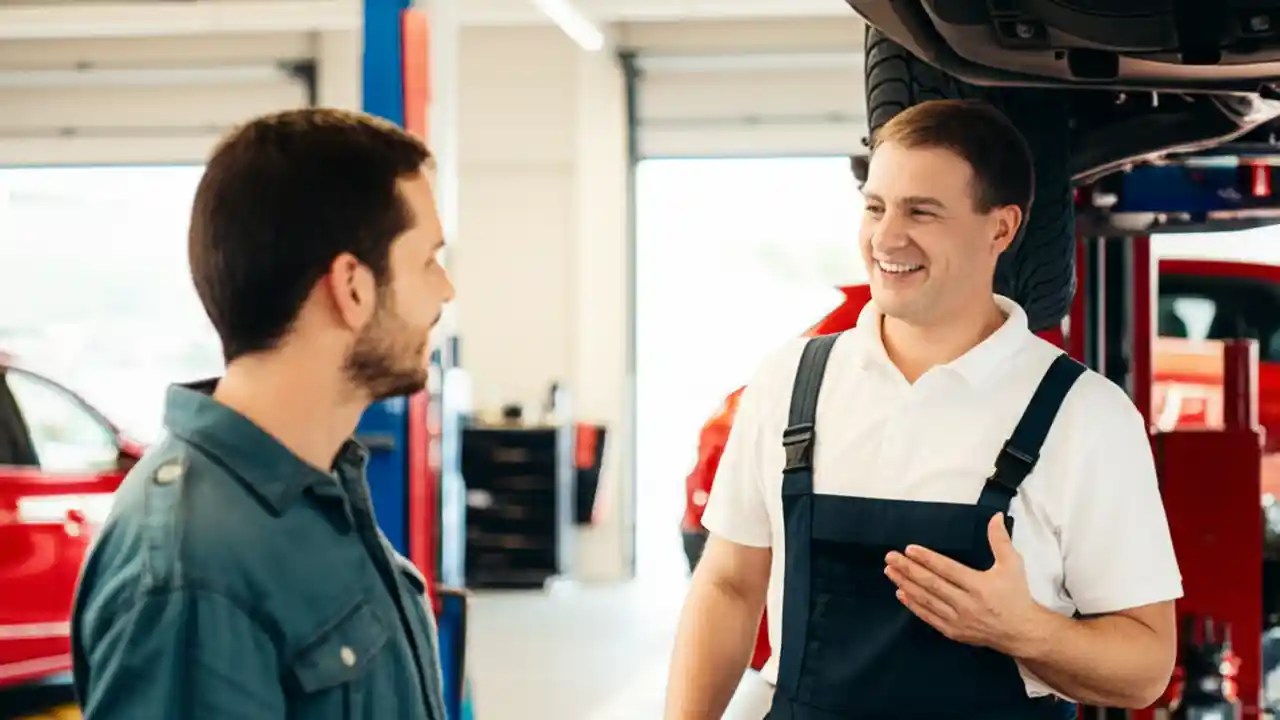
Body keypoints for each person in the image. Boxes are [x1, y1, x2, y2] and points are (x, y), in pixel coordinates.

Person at [664, 98, 1182, 720]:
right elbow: (727, 586)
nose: (887, 237)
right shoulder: (793, 381)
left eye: (922, 212)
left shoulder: (1084, 416)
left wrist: (1025, 630)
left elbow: (1146, 668)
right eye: (876, 207)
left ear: (1002, 228)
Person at [70, 108, 455, 719]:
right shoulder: (193, 568)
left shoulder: (317, 501)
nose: (446, 290)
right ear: (352, 287)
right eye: (429, 260)